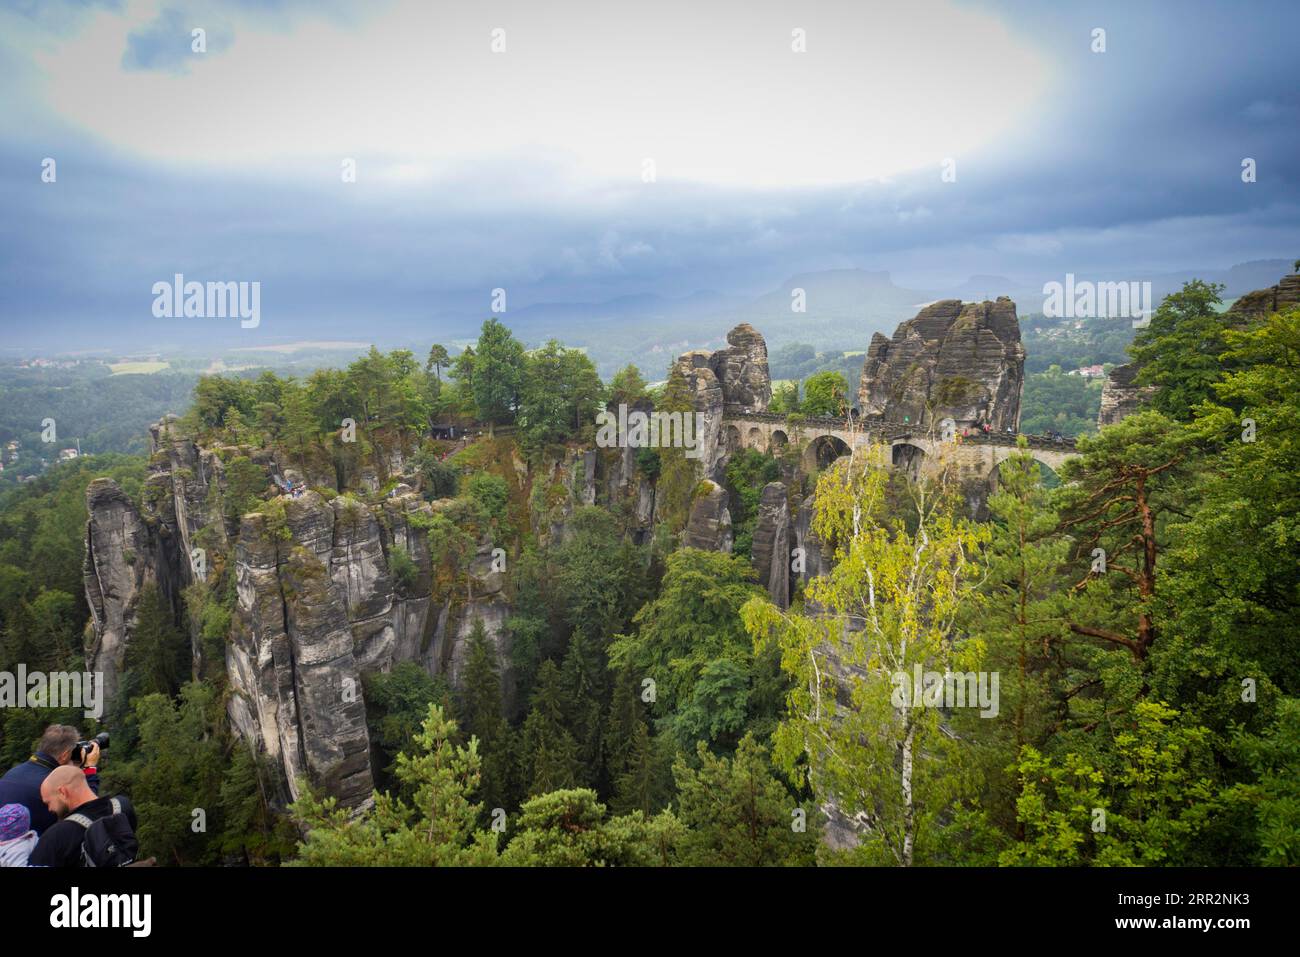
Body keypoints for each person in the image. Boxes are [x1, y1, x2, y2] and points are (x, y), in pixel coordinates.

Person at [29, 766, 138, 868]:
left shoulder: (56, 836)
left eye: (48, 802)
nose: (49, 809)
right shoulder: (123, 806)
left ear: (63, 792)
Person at [0, 725, 100, 835]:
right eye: (74, 751)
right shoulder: (52, 785)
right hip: (38, 848)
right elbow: (87, 812)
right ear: (65, 755)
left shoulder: (11, 773)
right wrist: (90, 769)